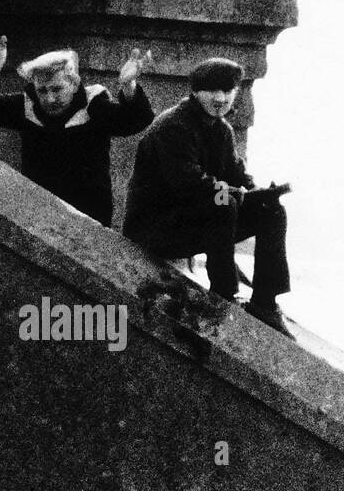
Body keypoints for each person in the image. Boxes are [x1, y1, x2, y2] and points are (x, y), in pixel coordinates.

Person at [124, 58, 293, 336]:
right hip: (157, 228)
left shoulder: (221, 129)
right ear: (196, 92)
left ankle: (265, 302)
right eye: (213, 90)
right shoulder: (173, 126)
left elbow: (237, 175)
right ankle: (223, 294)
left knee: (271, 210)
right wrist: (235, 194)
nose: (221, 98)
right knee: (223, 203)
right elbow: (189, 185)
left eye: (228, 91)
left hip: (194, 220)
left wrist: (258, 193)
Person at [0, 32, 155, 227]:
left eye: (57, 89)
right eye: (42, 90)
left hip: (89, 222)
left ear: (73, 84)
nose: (49, 99)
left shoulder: (94, 106)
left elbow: (138, 118)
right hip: (37, 218)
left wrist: (128, 84)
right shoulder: (26, 107)